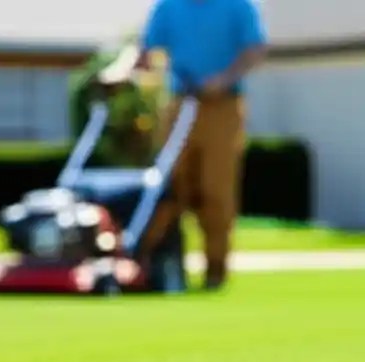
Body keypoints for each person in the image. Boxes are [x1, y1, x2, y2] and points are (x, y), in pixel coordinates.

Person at [99, 0, 269, 291]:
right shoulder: (170, 7)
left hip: (223, 105)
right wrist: (121, 71)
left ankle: (215, 273)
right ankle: (149, 265)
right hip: (180, 103)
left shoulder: (238, 6)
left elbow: (255, 50)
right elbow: (145, 49)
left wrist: (223, 79)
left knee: (216, 192)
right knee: (166, 188)